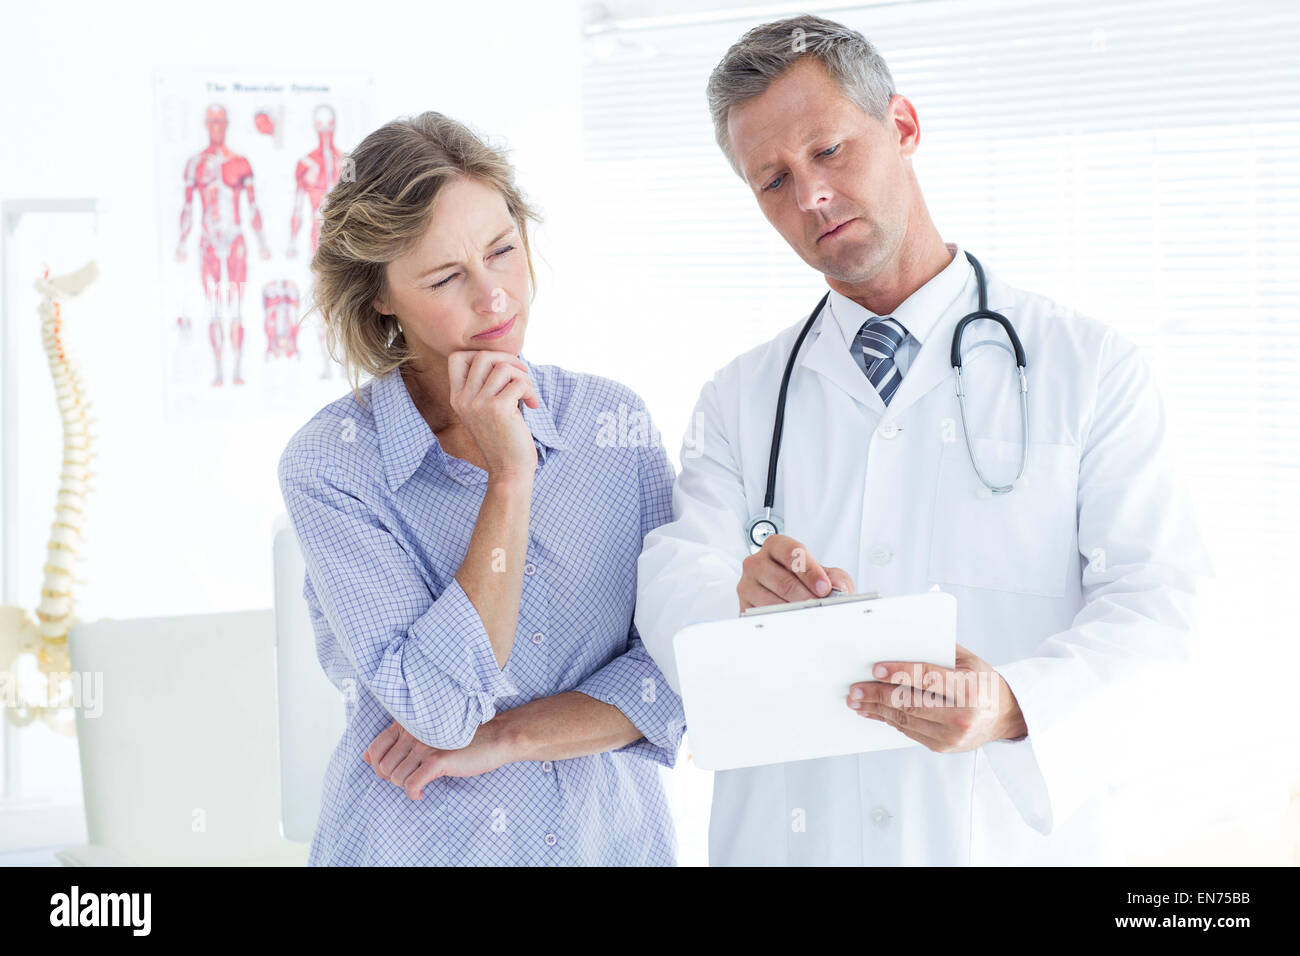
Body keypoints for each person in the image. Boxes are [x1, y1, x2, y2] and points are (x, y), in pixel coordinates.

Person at [633, 14, 1211, 865]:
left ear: (902, 126)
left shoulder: (1089, 368)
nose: (811, 197)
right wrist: (738, 606)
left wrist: (1011, 704)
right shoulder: (740, 399)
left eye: (828, 151)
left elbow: (1160, 611)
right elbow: (677, 581)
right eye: (773, 180)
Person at [278, 111, 685, 866]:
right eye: (445, 277)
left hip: (612, 844)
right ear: (381, 297)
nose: (494, 298)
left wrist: (509, 737)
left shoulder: (612, 424)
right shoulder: (331, 466)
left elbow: (677, 674)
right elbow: (438, 710)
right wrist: (510, 479)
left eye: (503, 251)